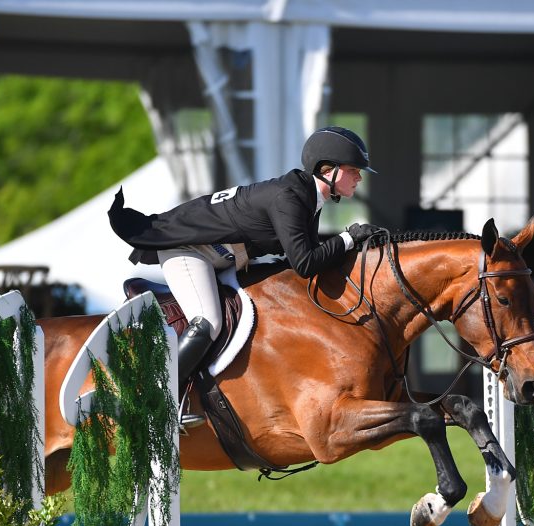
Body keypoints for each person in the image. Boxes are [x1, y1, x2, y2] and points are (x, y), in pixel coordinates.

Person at [109, 125, 381, 418]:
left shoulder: (306, 195)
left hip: (223, 259)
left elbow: (308, 258)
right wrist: (348, 237)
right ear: (329, 170)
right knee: (208, 322)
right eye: (354, 169)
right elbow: (305, 264)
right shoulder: (290, 197)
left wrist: (353, 245)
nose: (359, 177)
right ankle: (155, 399)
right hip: (188, 251)